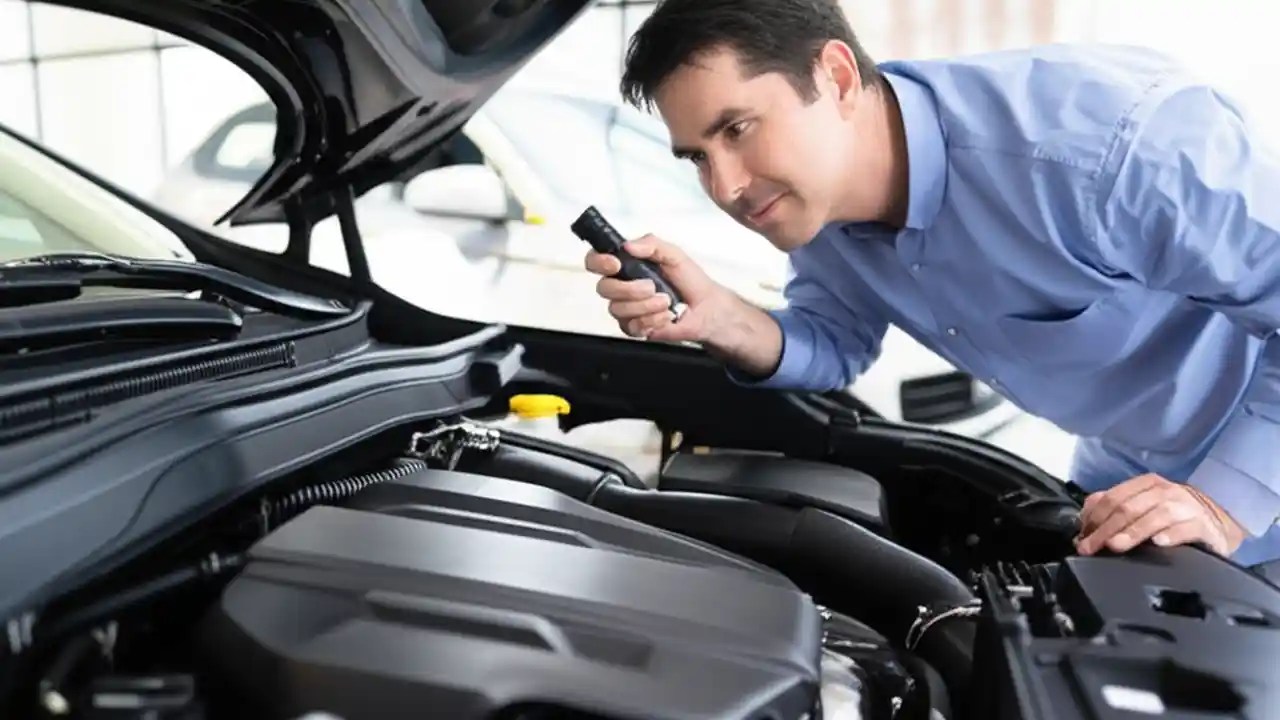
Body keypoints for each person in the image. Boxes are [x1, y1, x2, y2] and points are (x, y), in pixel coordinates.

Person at [582, 0, 1280, 566]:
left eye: (738, 128)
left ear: (837, 76)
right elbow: (836, 343)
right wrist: (717, 319)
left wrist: (1222, 503)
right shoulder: (819, 211)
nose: (726, 186)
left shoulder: (1110, 146)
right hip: (1125, 479)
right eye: (698, 157)